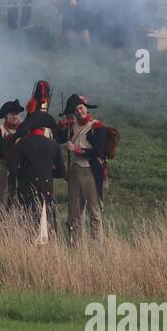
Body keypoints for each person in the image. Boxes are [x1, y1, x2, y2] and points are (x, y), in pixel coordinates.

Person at [9, 81, 64, 241]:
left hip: (35, 180)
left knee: (40, 219)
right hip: (41, 180)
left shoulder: (45, 134)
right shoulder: (24, 132)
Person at [58, 94, 108, 244]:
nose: (79, 112)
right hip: (74, 171)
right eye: (76, 110)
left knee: (94, 212)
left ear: (85, 107)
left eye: (80, 108)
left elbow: (99, 151)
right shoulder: (71, 127)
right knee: (74, 212)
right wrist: (61, 127)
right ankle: (76, 244)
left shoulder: (97, 126)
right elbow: (57, 139)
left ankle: (97, 245)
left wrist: (77, 150)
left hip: (90, 171)